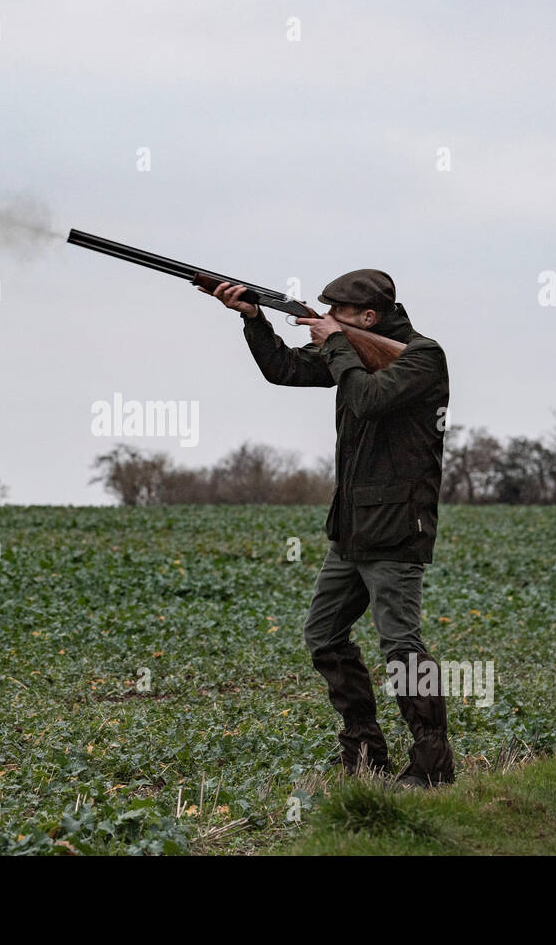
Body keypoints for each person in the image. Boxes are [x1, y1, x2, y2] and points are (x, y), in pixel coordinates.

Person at [206, 272, 455, 788]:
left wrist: (337, 343)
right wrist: (254, 320)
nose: (324, 320)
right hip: (351, 528)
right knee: (323, 634)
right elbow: (284, 369)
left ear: (368, 318)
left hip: (396, 528)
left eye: (336, 312)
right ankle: (365, 751)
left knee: (401, 647)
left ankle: (433, 764)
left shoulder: (421, 357)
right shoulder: (350, 348)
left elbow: (368, 398)